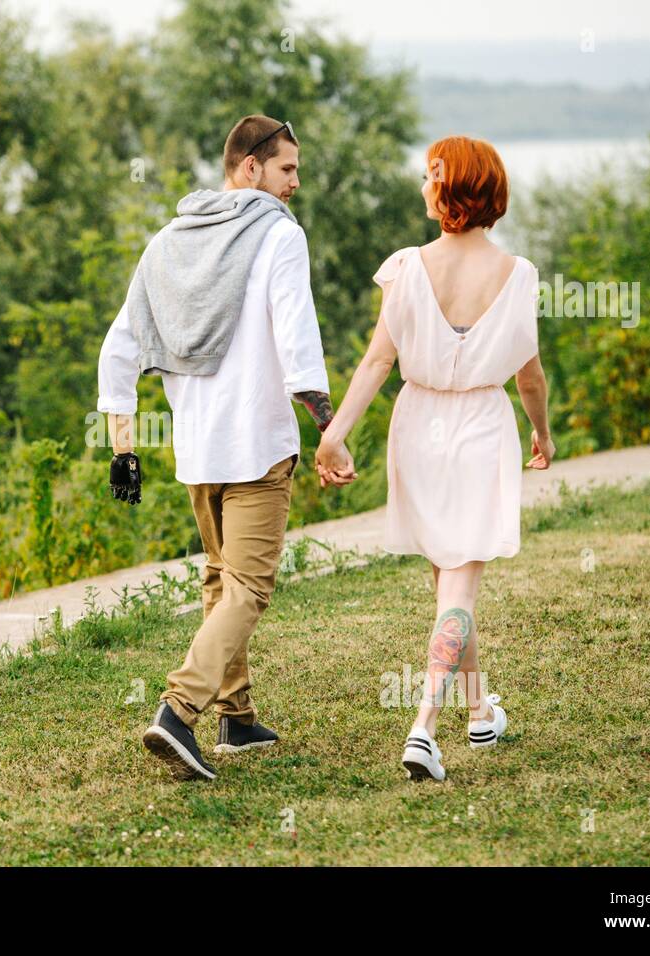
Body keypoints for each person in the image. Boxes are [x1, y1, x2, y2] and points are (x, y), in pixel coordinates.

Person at [97, 114, 352, 781]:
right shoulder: (277, 234)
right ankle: (178, 712)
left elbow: (119, 346)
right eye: (287, 169)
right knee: (249, 587)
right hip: (257, 443)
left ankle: (236, 717)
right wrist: (328, 424)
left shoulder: (169, 243)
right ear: (249, 168)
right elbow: (297, 335)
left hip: (197, 450)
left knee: (219, 578)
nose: (296, 182)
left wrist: (122, 450)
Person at [316, 135, 555, 782]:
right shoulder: (518, 274)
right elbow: (529, 377)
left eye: (431, 176)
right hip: (481, 424)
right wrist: (542, 433)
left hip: (418, 426)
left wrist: (336, 434)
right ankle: (423, 726)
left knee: (450, 578)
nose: (423, 185)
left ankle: (480, 712)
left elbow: (377, 361)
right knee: (460, 579)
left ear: (451, 189)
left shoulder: (406, 268)